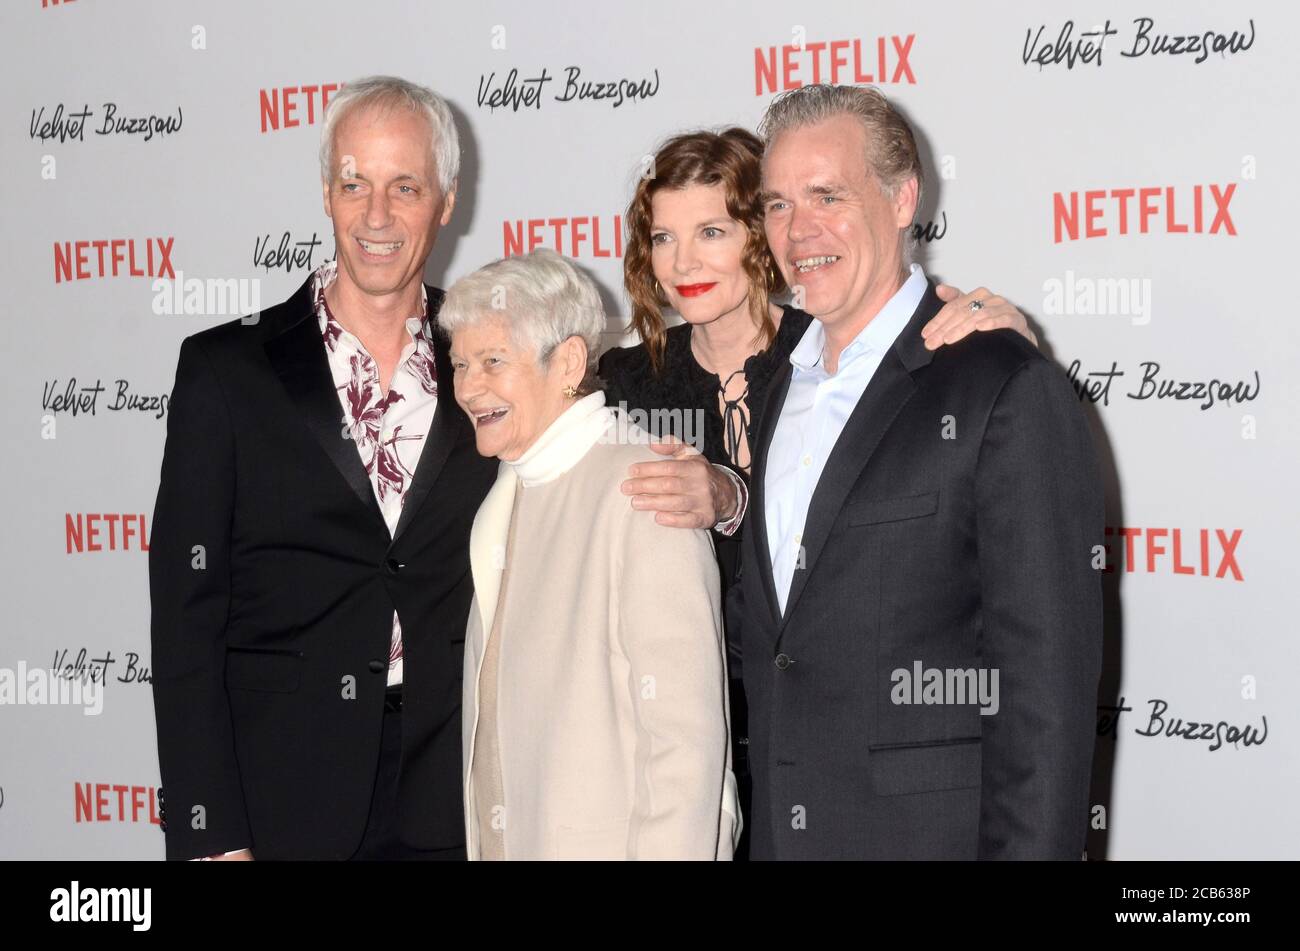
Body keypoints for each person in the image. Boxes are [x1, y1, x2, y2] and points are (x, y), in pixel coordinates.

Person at [148, 76, 738, 861]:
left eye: (406, 186)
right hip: (276, 799)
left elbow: (612, 403)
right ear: (326, 191)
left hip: (459, 800)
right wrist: (206, 831)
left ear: (447, 200)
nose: (378, 215)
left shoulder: (491, 362)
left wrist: (724, 488)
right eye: (354, 183)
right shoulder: (226, 370)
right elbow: (184, 623)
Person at [599, 126, 1040, 857]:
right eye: (663, 237)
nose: (684, 263)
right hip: (676, 744)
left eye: (711, 230)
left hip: (827, 748)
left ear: (756, 234)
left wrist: (1009, 332)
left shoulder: (834, 354)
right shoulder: (622, 385)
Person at [739, 84, 1103, 860]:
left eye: (827, 195)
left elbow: (1046, 695)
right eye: (776, 204)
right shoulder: (779, 385)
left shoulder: (1000, 382)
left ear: (904, 199)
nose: (799, 231)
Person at [442, 249, 739, 860]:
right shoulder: (510, 492)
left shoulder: (641, 487)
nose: (469, 387)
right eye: (460, 364)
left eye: (493, 361)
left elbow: (686, 748)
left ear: (569, 362)